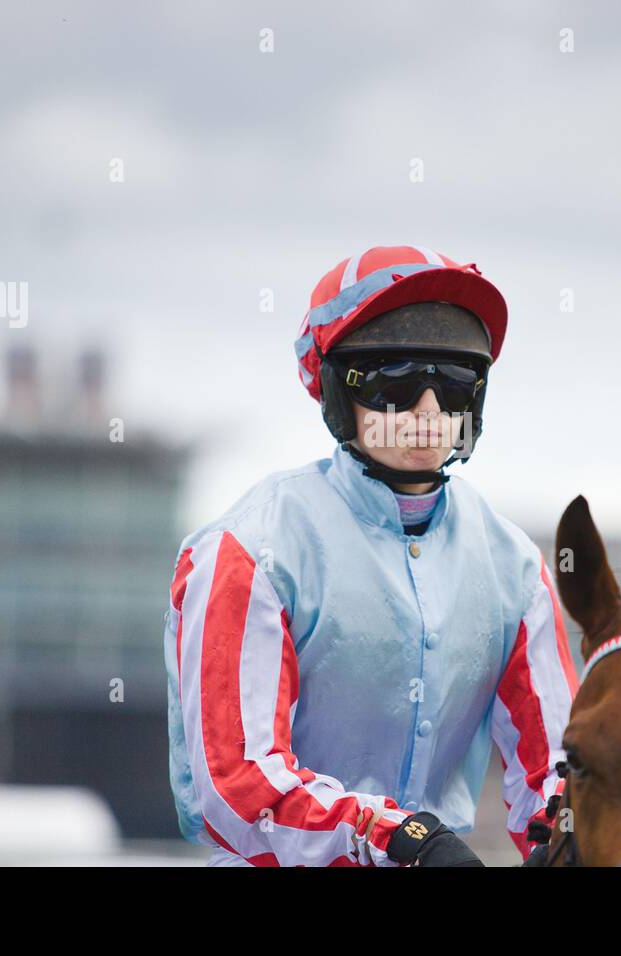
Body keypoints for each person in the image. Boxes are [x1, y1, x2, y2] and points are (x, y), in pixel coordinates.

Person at [162, 245, 578, 866]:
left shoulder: (515, 566)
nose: (430, 410)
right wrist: (403, 841)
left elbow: (557, 767)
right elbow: (238, 786)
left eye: (456, 379)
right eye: (398, 379)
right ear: (334, 388)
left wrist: (568, 830)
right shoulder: (248, 551)